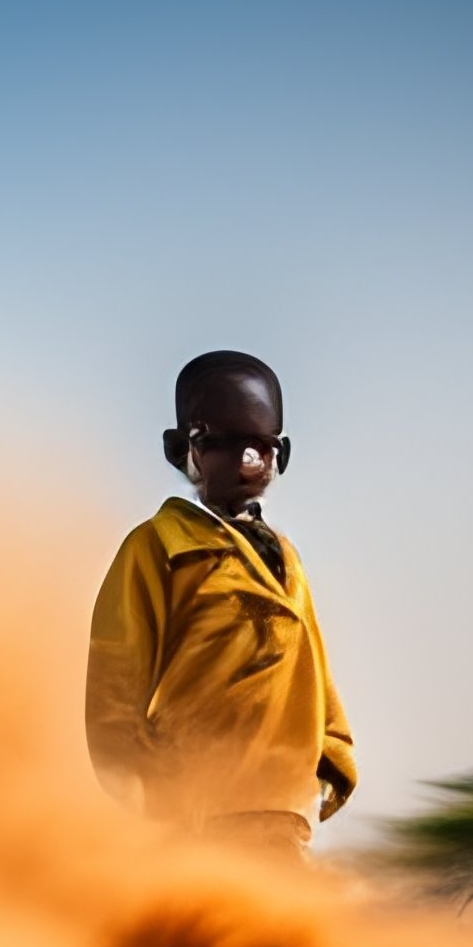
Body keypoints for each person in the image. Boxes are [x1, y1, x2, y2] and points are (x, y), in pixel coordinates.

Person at [85, 350, 355, 850]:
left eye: (261, 445)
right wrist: (157, 796)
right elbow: (114, 689)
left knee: (288, 918)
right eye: (222, 443)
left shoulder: (287, 556)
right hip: (201, 811)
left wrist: (331, 756)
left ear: (282, 454)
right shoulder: (159, 547)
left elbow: (311, 660)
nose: (246, 461)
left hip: (285, 807)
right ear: (180, 448)